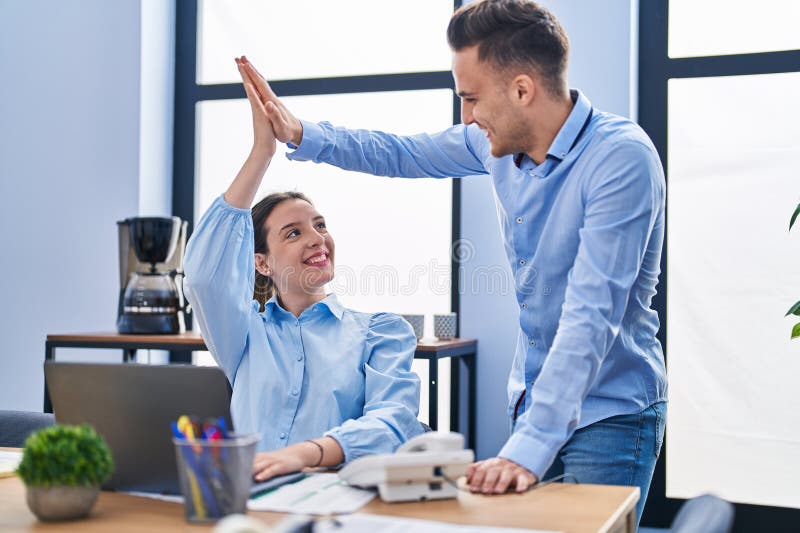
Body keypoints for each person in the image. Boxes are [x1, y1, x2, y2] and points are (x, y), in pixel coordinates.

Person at [237, 0, 667, 523]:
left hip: (610, 412)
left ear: (523, 90)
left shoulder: (619, 158)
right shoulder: (497, 145)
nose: (466, 116)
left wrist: (527, 448)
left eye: (471, 98)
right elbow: (401, 152)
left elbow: (590, 314)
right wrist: (300, 131)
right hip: (535, 406)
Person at [183, 57, 423, 482]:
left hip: (336, 501)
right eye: (292, 234)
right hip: (250, 500)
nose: (317, 238)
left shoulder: (380, 332)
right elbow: (204, 276)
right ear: (261, 262)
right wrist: (262, 153)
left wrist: (308, 454)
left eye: (320, 225)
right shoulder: (244, 336)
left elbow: (393, 423)